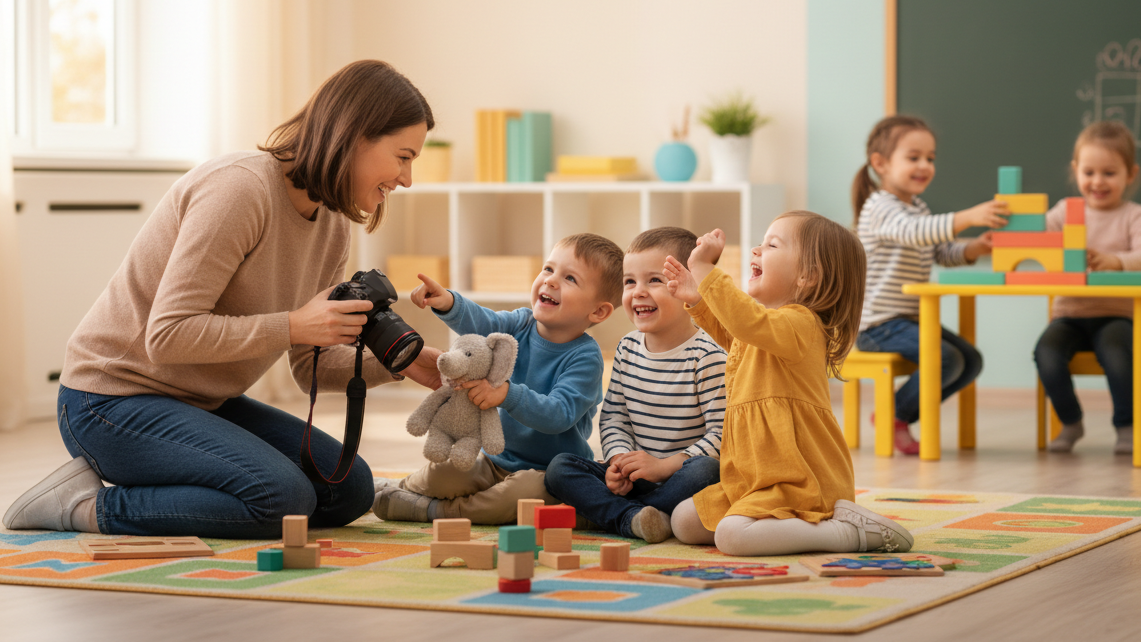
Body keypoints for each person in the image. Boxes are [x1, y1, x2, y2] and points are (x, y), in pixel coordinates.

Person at [1, 60, 444, 539]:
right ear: (355, 135)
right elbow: (166, 337)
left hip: (202, 403)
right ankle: (82, 506)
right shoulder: (241, 188)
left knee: (349, 488)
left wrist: (404, 363)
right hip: (110, 400)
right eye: (403, 157)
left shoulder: (332, 224)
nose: (407, 178)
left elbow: (307, 369)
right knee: (282, 499)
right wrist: (294, 324)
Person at [663, 213, 913, 556]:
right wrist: (697, 300)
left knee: (732, 537)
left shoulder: (801, 324)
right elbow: (734, 333)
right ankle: (788, 530)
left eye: (771, 245)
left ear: (808, 276)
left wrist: (706, 270)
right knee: (685, 521)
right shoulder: (765, 328)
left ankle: (845, 532)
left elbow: (744, 321)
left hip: (798, 479)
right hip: (755, 478)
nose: (756, 250)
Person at [372, 233, 623, 525]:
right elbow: (485, 323)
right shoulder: (521, 322)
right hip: (493, 462)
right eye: (549, 269)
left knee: (518, 497)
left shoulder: (586, 357)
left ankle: (433, 511)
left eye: (570, 279)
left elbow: (559, 414)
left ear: (598, 311)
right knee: (446, 472)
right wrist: (449, 302)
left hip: (547, 473)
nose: (551, 281)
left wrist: (508, 395)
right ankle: (401, 489)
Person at [544, 227, 726, 543]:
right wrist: (619, 461)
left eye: (654, 280)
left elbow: (722, 435)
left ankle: (620, 515)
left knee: (707, 471)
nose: (638, 292)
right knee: (560, 468)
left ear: (689, 286)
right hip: (635, 477)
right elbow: (615, 417)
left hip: (680, 478)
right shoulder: (628, 347)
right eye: (630, 282)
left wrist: (664, 466)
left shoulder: (707, 355)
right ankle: (634, 517)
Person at [851, 115, 1009, 454]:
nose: (925, 165)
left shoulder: (918, 208)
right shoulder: (879, 207)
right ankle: (896, 416)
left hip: (907, 320)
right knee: (946, 359)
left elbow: (940, 251)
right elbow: (914, 233)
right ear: (880, 163)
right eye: (914, 157)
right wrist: (967, 217)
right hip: (877, 325)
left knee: (971, 360)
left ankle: (897, 414)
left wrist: (974, 247)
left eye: (930, 158)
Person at [1035, 121, 1141, 454]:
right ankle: (1071, 422)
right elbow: (1036, 238)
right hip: (1070, 313)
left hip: (1115, 314)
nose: (1097, 182)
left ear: (1130, 174)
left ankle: (1126, 426)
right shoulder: (1064, 212)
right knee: (1045, 352)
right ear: (1076, 171)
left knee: (1117, 354)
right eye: (1089, 172)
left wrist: (1116, 261)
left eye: (1109, 173)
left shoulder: (1135, 215)